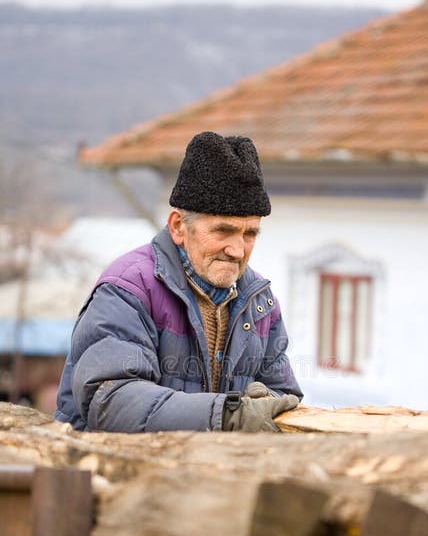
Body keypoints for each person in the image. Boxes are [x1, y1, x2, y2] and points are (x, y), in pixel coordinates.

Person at [55, 131, 302, 433]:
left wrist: (266, 403)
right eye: (223, 231)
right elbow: (111, 400)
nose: (238, 250)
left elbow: (285, 396)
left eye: (249, 234)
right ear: (178, 227)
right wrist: (228, 414)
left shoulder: (260, 301)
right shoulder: (128, 290)